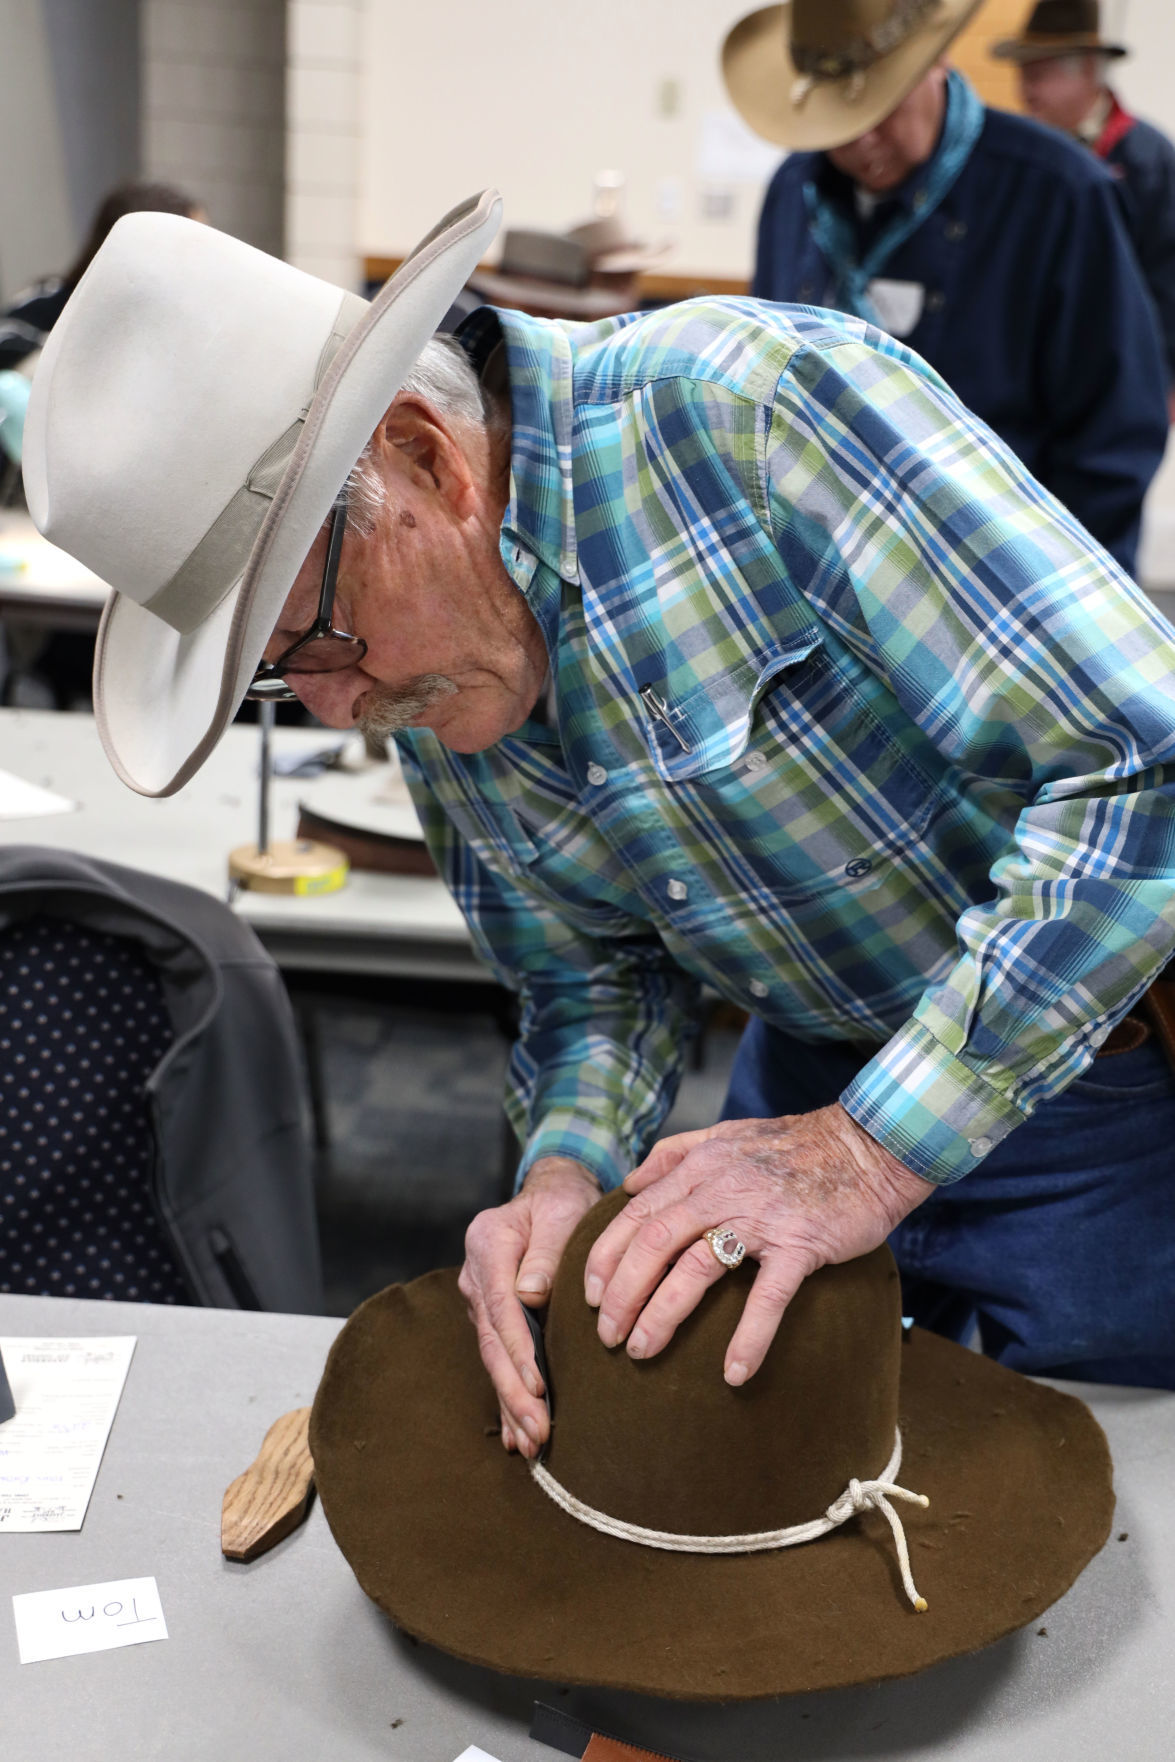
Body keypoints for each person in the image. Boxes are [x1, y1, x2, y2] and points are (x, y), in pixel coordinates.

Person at [23, 199, 1175, 1467]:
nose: (340, 710)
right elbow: (586, 976)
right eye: (282, 677)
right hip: (799, 1085)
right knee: (808, 1503)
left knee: (1113, 1513)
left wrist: (866, 1152)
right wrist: (563, 1173)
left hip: (1088, 1072)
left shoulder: (756, 414)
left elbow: (1141, 764)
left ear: (427, 459)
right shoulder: (420, 638)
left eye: (317, 639)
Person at [723, 0, 1168, 577]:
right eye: (843, 114)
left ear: (938, 61)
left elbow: (1114, 436)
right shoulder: (794, 193)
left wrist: (1054, 588)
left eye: (886, 104)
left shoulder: (1059, 193)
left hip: (1008, 577)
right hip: (825, 573)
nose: (865, 139)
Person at [993, 0, 1175, 417]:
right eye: (1024, 75)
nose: (1027, 90)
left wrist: (1167, 380)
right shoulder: (1023, 160)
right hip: (1039, 379)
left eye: (1040, 75)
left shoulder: (1147, 158)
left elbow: (1169, 277)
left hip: (1126, 373)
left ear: (1088, 71)